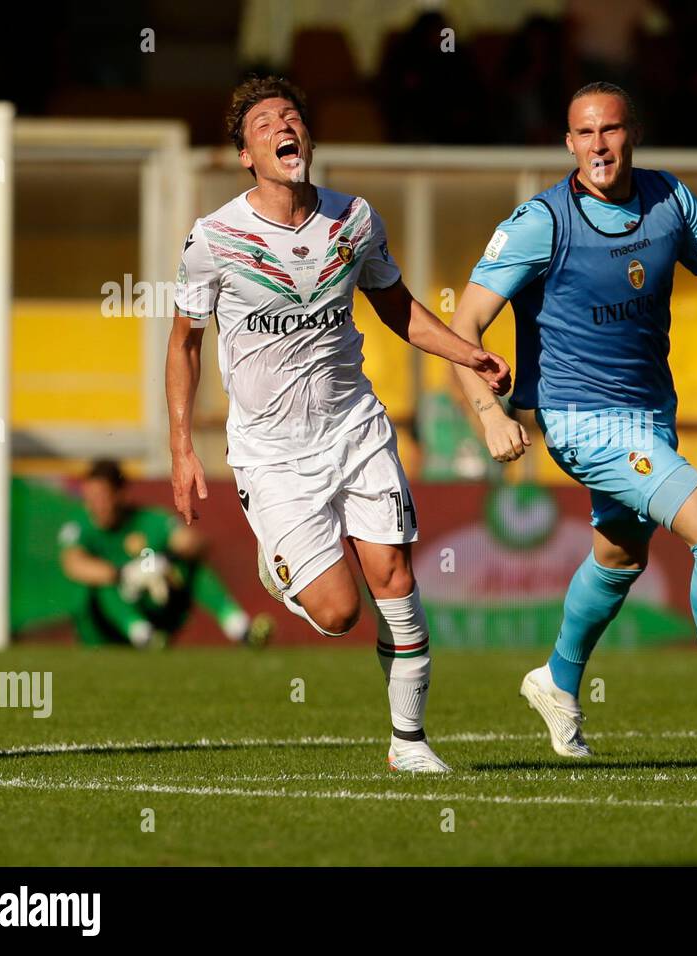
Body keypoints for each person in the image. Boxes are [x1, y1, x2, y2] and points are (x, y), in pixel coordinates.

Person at [450, 81, 697, 756]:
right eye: (585, 133)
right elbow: (465, 322)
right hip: (579, 419)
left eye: (610, 130)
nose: (599, 145)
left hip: (651, 411)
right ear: (568, 144)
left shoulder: (669, 199)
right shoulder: (541, 222)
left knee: (620, 554)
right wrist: (488, 415)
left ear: (633, 134)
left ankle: (557, 680)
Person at [165, 76, 511, 772]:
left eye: (291, 117)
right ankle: (281, 560)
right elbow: (185, 342)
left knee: (398, 585)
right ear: (245, 155)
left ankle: (408, 744)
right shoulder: (215, 239)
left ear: (308, 139)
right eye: (264, 124)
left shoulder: (354, 221)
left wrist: (467, 350)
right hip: (272, 453)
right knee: (339, 613)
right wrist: (181, 445)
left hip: (355, 429)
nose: (281, 127)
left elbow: (397, 306)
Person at [58, 459, 272, 649]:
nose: (96, 505)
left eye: (101, 497)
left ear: (119, 495)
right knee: (104, 584)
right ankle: (142, 635)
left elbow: (191, 542)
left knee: (192, 569)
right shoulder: (80, 526)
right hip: (103, 629)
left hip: (156, 607)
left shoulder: (149, 520)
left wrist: (166, 560)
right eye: (90, 497)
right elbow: (73, 564)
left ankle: (240, 627)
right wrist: (124, 574)